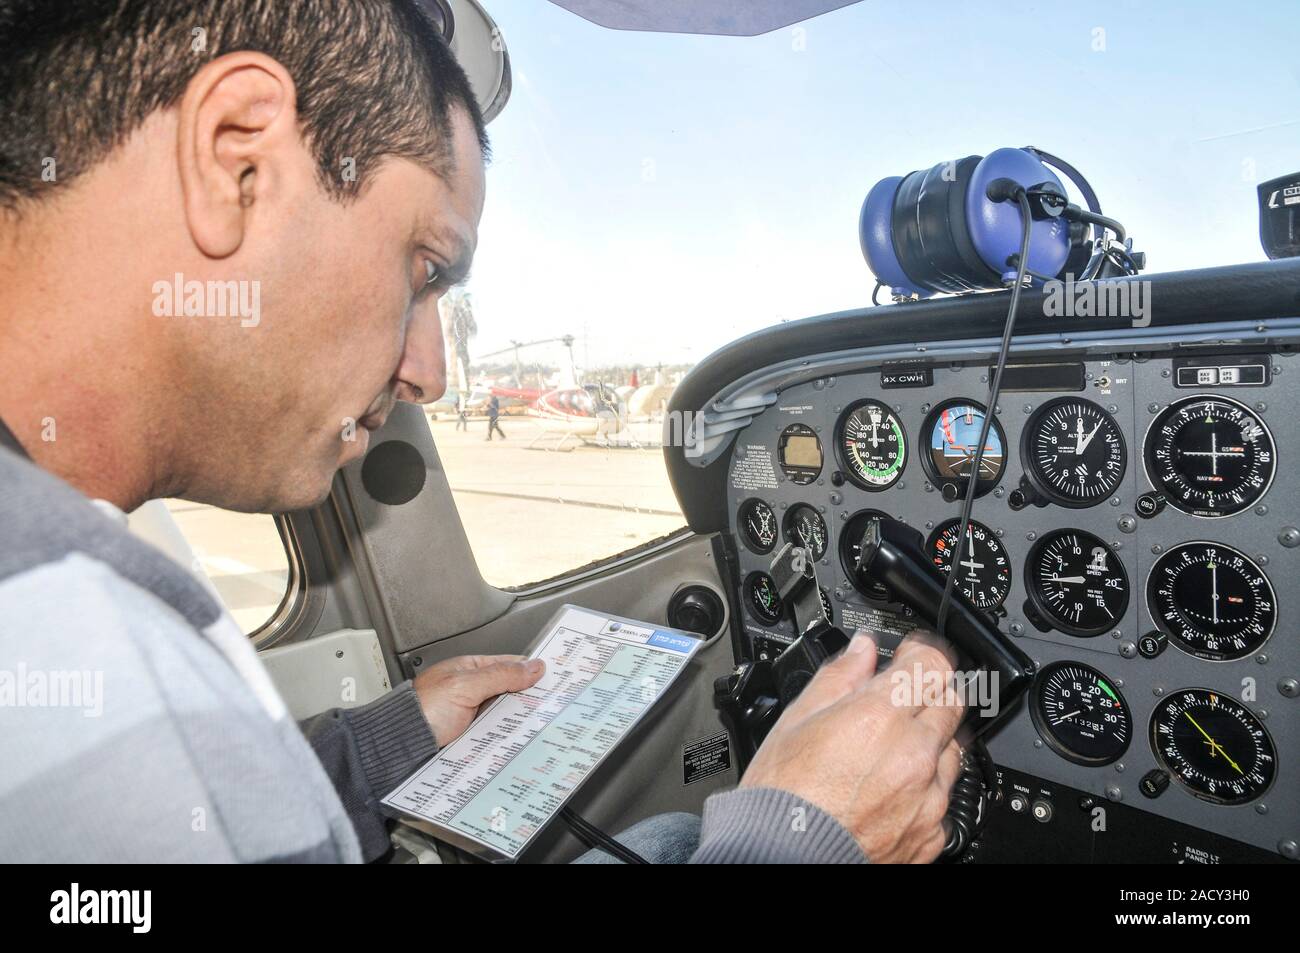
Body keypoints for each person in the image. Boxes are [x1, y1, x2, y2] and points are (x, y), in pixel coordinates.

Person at [0, 0, 963, 864]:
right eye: (424, 269)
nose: (430, 372)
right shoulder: (63, 626)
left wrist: (380, 747)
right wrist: (796, 846)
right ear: (235, 154)